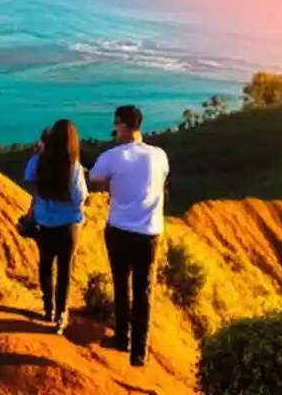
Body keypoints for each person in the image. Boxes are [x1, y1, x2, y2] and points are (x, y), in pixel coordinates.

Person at [89, 104, 169, 367]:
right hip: (149, 233)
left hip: (120, 229)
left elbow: (94, 180)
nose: (114, 129)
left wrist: (113, 184)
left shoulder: (112, 156)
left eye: (116, 124)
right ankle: (139, 352)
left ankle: (121, 339)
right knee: (143, 291)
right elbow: (161, 179)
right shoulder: (159, 155)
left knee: (121, 285)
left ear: (122, 124)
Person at [23, 119, 88, 334]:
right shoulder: (74, 167)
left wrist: (38, 152)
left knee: (45, 264)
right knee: (64, 269)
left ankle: (47, 308)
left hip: (45, 222)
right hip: (69, 225)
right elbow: (80, 196)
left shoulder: (40, 162)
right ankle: (61, 313)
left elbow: (28, 176)